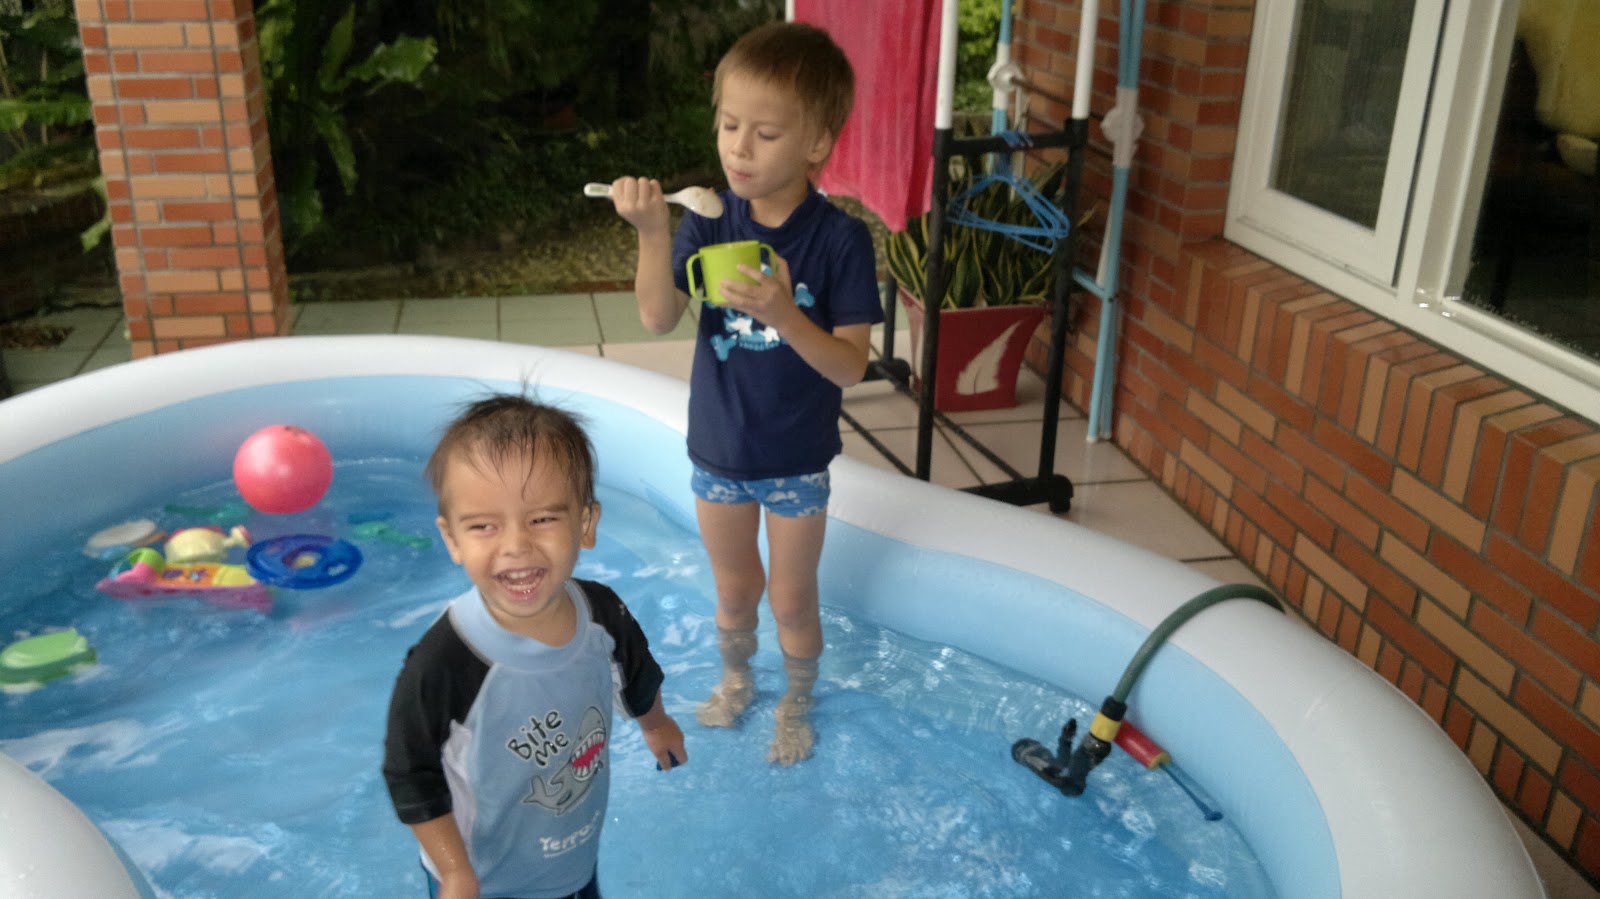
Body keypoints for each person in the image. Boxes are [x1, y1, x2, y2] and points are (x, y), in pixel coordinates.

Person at [604, 21, 881, 766]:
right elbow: (659, 316)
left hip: (795, 459)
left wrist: (785, 314)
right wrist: (654, 235)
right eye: (729, 125)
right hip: (720, 450)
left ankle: (796, 698)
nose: (738, 148)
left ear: (817, 143)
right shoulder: (707, 217)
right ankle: (737, 679)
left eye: (763, 132)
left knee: (790, 599)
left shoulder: (839, 242)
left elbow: (851, 367)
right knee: (733, 593)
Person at [383, 395, 686, 899]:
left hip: (573, 860)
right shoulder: (446, 661)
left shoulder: (602, 614)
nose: (516, 545)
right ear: (452, 539)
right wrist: (455, 872)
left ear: (585, 524)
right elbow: (410, 772)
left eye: (542, 518)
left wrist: (655, 724)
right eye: (483, 525)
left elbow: (637, 675)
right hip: (482, 880)